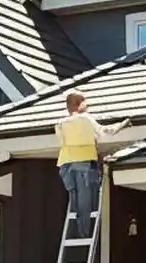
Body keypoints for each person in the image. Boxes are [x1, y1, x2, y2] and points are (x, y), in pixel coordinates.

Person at [56, 90, 133, 238]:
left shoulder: (60, 124)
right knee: (87, 200)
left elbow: (62, 142)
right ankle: (84, 233)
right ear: (78, 105)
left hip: (66, 166)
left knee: (76, 201)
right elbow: (106, 131)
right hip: (83, 163)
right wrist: (124, 124)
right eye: (86, 103)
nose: (88, 107)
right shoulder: (85, 119)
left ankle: (78, 231)